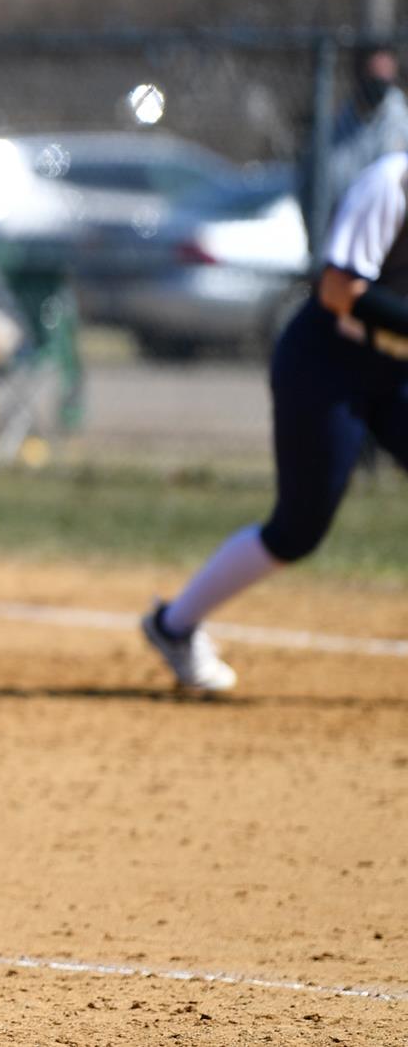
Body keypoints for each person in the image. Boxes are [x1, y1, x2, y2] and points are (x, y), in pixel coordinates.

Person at [142, 150, 408, 692]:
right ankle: (173, 626)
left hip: (397, 367)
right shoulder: (392, 183)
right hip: (327, 366)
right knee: (297, 529)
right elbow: (338, 289)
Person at [303, 44, 408, 252]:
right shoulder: (334, 130)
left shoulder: (401, 126)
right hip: (338, 247)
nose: (378, 86)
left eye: (385, 79)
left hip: (390, 255)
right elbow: (309, 189)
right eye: (373, 78)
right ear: (359, 76)